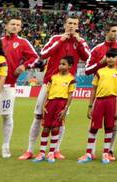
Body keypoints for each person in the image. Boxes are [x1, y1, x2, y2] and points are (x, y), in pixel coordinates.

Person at [21, 15, 89, 161]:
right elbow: (43, 54)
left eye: (74, 24)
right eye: (69, 23)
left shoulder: (80, 41)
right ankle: (30, 150)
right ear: (65, 24)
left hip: (66, 86)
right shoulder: (55, 38)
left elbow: (87, 58)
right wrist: (61, 40)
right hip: (49, 83)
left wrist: (78, 41)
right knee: (39, 116)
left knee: (61, 118)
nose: (71, 26)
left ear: (77, 26)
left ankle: (56, 149)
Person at [0, 16, 39, 158]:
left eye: (18, 25)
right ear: (6, 26)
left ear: (20, 28)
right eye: (12, 24)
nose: (15, 26)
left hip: (9, 85)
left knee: (7, 116)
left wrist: (24, 65)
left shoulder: (23, 42)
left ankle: (5, 146)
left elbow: (35, 57)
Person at [80, 49, 117, 164]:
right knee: (93, 128)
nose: (110, 59)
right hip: (99, 101)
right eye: (108, 56)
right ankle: (88, 153)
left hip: (112, 101)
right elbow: (94, 89)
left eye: (113, 57)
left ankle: (106, 154)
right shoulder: (99, 71)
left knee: (109, 127)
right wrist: (90, 106)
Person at [33, 57, 75, 163]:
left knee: (56, 128)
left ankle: (51, 152)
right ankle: (42, 153)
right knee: (46, 128)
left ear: (70, 66)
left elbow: (70, 96)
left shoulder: (71, 79)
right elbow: (47, 92)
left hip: (61, 104)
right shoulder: (53, 78)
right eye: (60, 64)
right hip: (50, 103)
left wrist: (65, 109)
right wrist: (43, 105)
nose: (61, 66)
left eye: (64, 64)